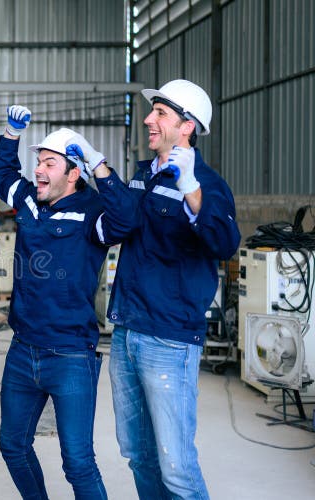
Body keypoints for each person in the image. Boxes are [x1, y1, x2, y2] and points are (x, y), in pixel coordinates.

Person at [102, 79, 241, 499]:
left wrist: (192, 191)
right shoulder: (142, 174)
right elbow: (120, 225)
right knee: (138, 454)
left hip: (169, 339)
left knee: (176, 467)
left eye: (160, 113)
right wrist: (99, 172)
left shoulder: (208, 184)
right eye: (153, 111)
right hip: (127, 330)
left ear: (187, 126)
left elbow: (224, 243)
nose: (149, 119)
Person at [0, 106, 137, 499]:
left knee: (78, 461)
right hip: (23, 349)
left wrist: (99, 164)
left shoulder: (93, 213)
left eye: (49, 163)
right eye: (38, 162)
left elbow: (127, 219)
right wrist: (11, 134)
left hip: (70, 354)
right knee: (13, 446)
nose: (38, 170)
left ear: (73, 173)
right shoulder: (30, 200)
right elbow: (3, 176)